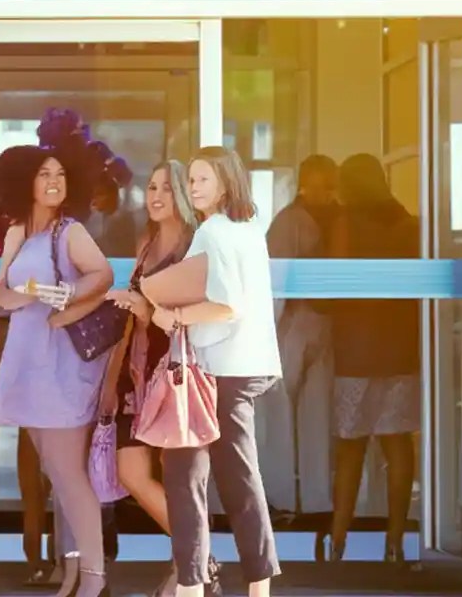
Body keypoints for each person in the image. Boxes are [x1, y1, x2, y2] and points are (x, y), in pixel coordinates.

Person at [141, 146, 283, 597]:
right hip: (243, 367)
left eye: (202, 179)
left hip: (213, 371)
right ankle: (256, 587)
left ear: (226, 182)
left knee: (187, 480)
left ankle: (192, 587)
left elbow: (226, 305)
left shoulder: (215, 233)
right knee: (236, 479)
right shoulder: (248, 229)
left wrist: (172, 317)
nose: (194, 187)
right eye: (193, 180)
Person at [0, 145, 115, 597]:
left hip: (62, 364)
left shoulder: (69, 231)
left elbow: (103, 275)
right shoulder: (19, 231)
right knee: (57, 475)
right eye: (43, 174)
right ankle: (74, 570)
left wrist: (66, 293)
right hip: (28, 362)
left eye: (60, 173)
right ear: (26, 184)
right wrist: (26, 295)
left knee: (70, 477)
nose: (54, 180)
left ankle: (94, 580)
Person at [99, 160, 221, 596]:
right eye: (151, 187)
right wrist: (113, 381)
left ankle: (187, 571)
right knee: (130, 471)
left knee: (179, 482)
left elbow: (191, 319)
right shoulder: (146, 242)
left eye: (167, 188)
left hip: (175, 374)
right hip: (136, 372)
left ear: (183, 196)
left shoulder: (194, 247)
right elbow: (136, 318)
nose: (156, 195)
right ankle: (200, 559)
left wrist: (143, 307)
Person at [319, 153, 421, 564]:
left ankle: (337, 541)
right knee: (397, 444)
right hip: (400, 344)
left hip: (357, 346)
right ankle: (395, 542)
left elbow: (336, 280)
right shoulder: (411, 224)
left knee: (351, 447)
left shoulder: (345, 223)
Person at [259, 154, 340, 518]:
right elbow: (272, 281)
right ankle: (278, 497)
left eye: (328, 183)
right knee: (278, 409)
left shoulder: (341, 218)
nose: (323, 191)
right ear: (303, 184)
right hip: (290, 322)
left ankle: (317, 498)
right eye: (316, 183)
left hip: (326, 324)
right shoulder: (288, 221)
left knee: (318, 412)